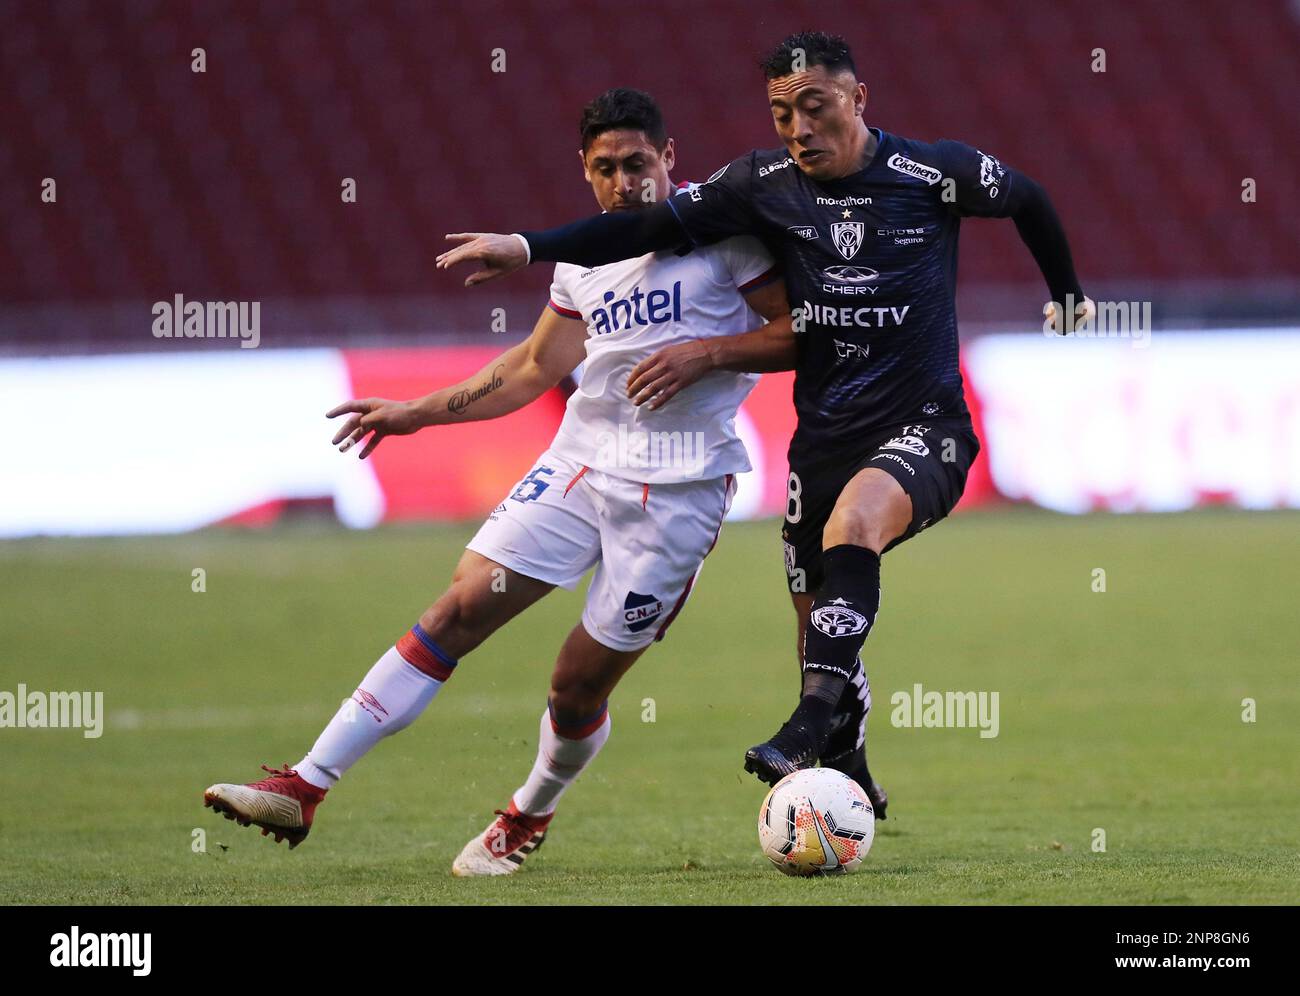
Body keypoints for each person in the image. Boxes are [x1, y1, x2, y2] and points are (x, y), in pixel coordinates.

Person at [434, 32, 1093, 795]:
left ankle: (806, 726)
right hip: (825, 437)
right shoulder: (761, 182)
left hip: (928, 423)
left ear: (857, 99)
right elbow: (645, 227)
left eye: (814, 108)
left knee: (856, 528)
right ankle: (848, 773)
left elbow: (1030, 197)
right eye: (783, 114)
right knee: (819, 623)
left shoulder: (934, 172)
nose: (799, 129)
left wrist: (1067, 292)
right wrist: (530, 245)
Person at [202, 88, 795, 875]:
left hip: (680, 491)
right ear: (585, 173)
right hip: (580, 464)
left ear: (670, 158)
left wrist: (708, 354)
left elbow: (799, 332)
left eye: (639, 164)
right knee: (457, 606)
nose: (626, 183)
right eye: (607, 168)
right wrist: (418, 411)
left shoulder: (723, 235)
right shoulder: (587, 257)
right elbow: (531, 367)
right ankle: (304, 784)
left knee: (575, 688)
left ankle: (529, 813)